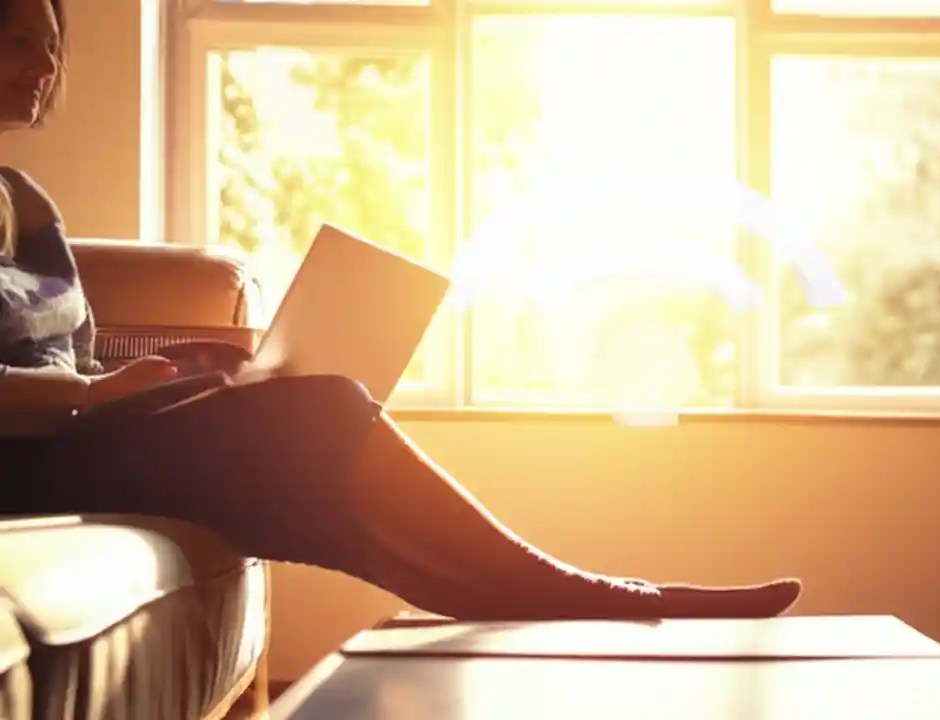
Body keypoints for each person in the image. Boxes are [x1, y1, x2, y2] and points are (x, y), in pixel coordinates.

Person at [0, 0, 801, 621]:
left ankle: (553, 593)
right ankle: (591, 592)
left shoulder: (27, 202)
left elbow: (69, 360)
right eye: (19, 41)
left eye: (53, 44)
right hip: (22, 462)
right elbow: (46, 387)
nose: (47, 65)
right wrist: (93, 395)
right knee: (319, 411)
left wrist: (142, 380)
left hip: (75, 433)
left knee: (274, 392)